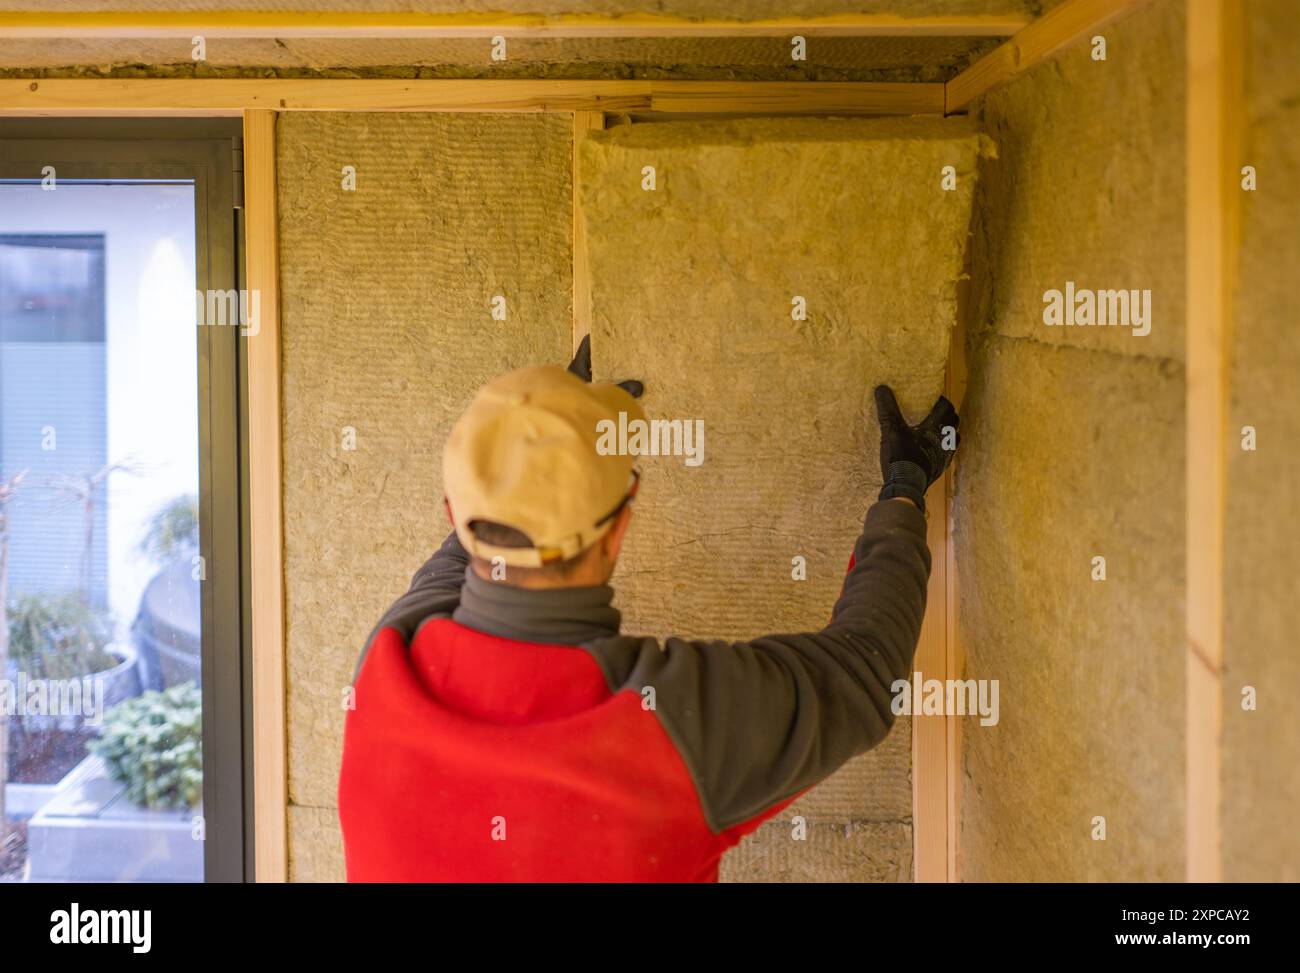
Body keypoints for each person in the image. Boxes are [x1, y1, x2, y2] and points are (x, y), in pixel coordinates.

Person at [338, 336, 959, 882]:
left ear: (453, 513)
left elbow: (461, 560)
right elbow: (866, 674)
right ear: (619, 530)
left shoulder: (388, 664)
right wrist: (904, 484)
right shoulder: (673, 730)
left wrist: (545, 437)